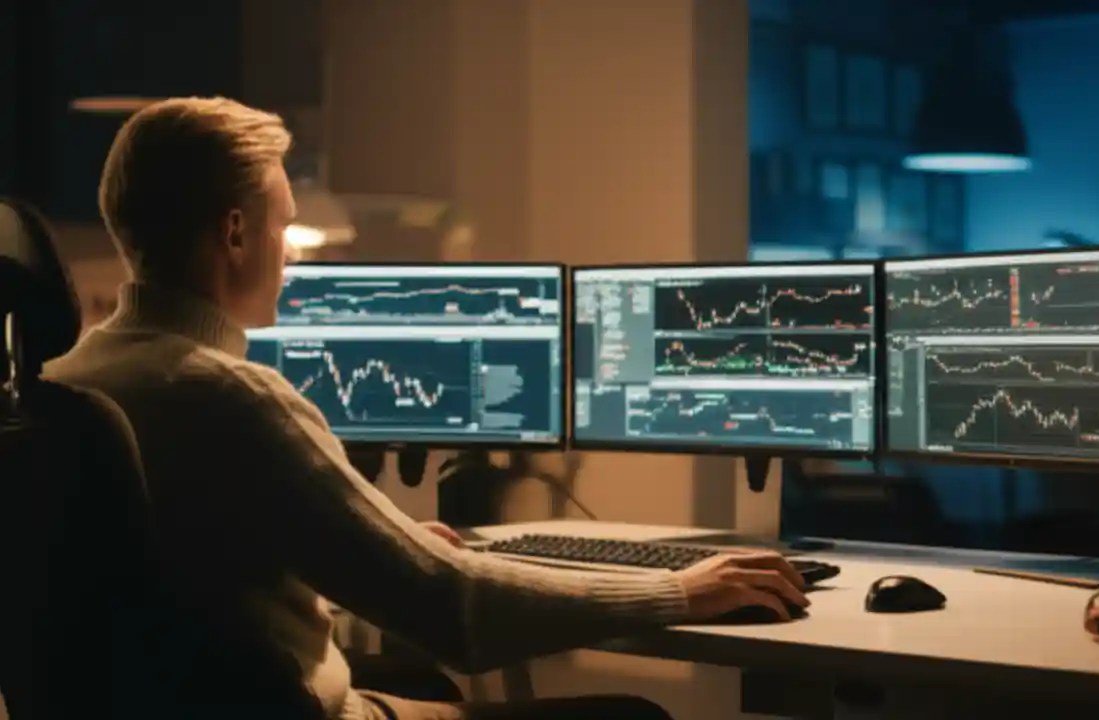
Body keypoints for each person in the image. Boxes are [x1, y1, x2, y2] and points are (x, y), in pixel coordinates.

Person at [42, 97, 808, 720]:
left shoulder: (63, 383)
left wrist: (389, 550)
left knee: (422, 685)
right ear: (235, 233)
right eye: (282, 225)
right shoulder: (233, 398)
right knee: (629, 717)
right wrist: (679, 590)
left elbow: (187, 594)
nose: (292, 252)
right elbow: (456, 612)